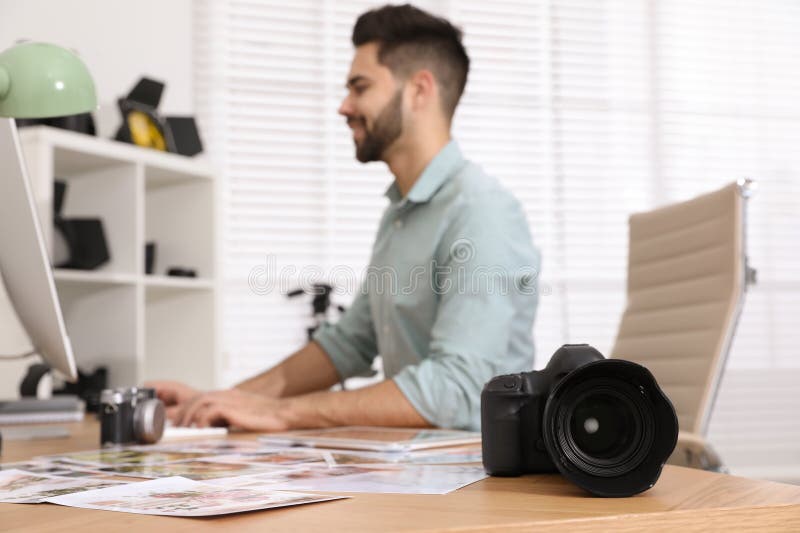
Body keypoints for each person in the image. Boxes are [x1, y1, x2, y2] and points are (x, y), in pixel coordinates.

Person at [149, 4, 540, 432]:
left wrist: (281, 413)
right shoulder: (402, 214)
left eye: (360, 87)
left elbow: (459, 389)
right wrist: (221, 402)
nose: (344, 106)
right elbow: (348, 344)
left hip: (476, 477)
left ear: (419, 90)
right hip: (415, 464)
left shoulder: (481, 212)